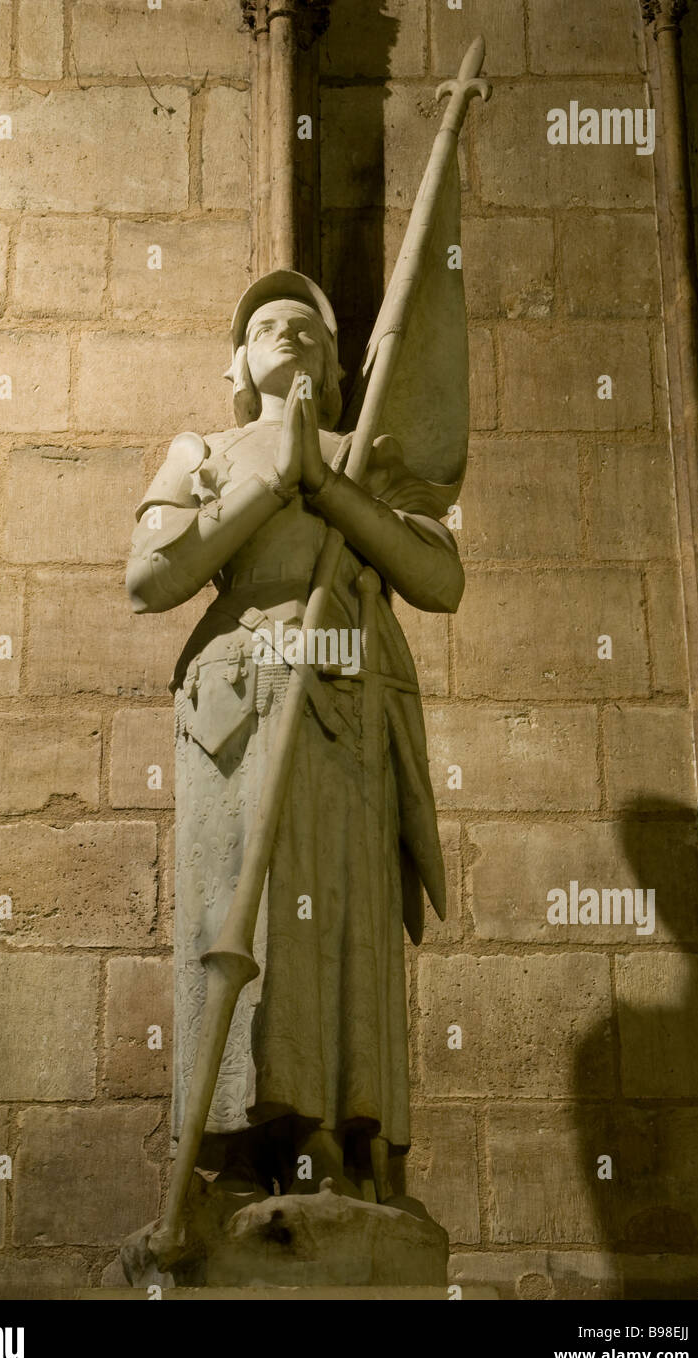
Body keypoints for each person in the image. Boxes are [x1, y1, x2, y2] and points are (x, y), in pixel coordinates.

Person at [126, 270, 464, 1206]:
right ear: (237, 361)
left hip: (346, 692)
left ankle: (336, 1139)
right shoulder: (206, 447)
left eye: (308, 326)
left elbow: (439, 577)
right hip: (235, 698)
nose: (288, 333)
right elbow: (152, 576)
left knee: (339, 906)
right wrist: (277, 480)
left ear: (338, 365)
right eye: (265, 325)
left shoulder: (364, 453)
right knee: (234, 906)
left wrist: (330, 486)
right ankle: (236, 1145)